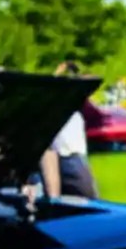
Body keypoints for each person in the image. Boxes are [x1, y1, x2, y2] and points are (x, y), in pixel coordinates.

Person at [41, 61, 99, 199]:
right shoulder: (56, 106)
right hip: (66, 156)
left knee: (88, 199)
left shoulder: (76, 106)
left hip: (74, 156)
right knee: (87, 200)